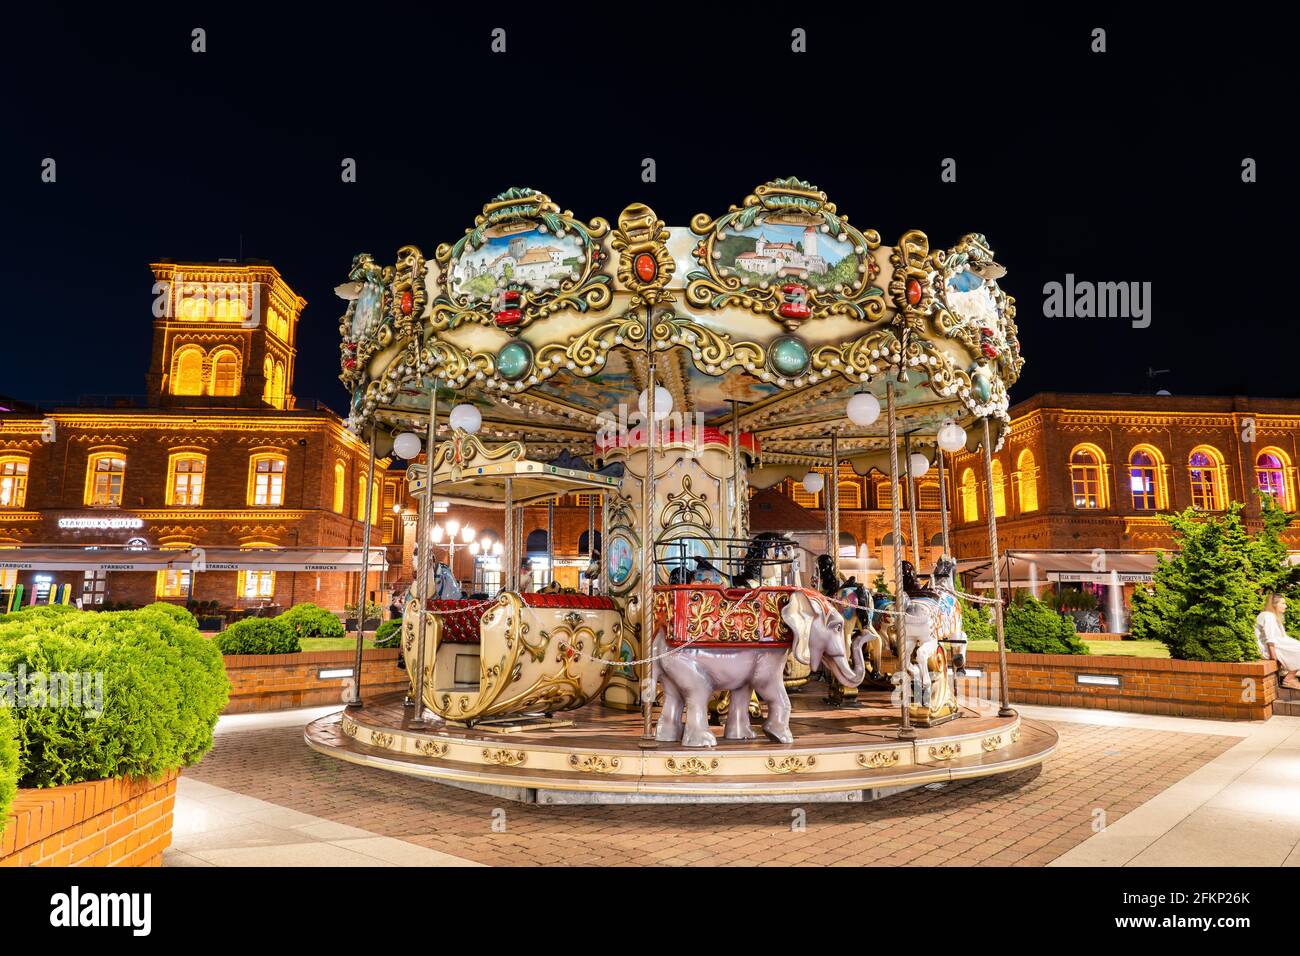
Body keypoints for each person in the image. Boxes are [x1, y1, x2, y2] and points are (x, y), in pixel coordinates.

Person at [1255, 594, 1300, 691]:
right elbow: (1270, 638)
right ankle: (1288, 680)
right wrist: (1273, 657)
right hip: (1267, 649)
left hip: (1275, 645)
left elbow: (1282, 637)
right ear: (1274, 604)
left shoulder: (1272, 616)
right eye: (1283, 603)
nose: (1286, 606)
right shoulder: (1268, 616)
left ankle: (1290, 676)